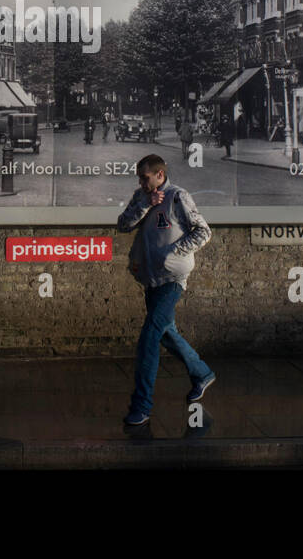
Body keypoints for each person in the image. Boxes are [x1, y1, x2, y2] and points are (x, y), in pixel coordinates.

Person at [117, 154, 215, 426]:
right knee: (166, 333)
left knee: (149, 338)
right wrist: (145, 205)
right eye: (140, 178)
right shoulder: (141, 196)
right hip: (151, 280)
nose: (141, 182)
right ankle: (202, 373)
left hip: (173, 278)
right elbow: (122, 224)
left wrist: (172, 254)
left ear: (160, 175)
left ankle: (142, 406)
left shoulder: (178, 196)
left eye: (145, 178)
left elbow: (203, 232)